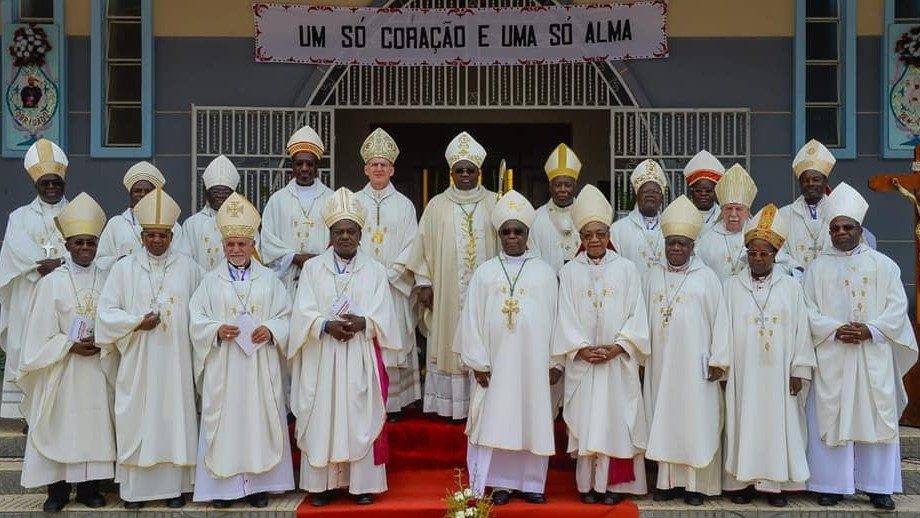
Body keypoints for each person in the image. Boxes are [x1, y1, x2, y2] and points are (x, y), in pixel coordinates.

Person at [803, 182, 918, 510]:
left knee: (876, 416)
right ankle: (831, 484)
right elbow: (807, 311)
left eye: (847, 227)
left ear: (860, 229)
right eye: (835, 227)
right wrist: (835, 330)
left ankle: (879, 486)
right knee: (831, 417)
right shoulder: (816, 268)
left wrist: (870, 330)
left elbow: (897, 309)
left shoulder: (884, 266)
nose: (841, 232)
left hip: (872, 354)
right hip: (834, 355)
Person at [288, 187, 400, 507]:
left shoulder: (375, 270)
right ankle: (321, 486)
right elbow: (302, 313)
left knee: (358, 416)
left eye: (351, 231)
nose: (346, 237)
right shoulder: (312, 269)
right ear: (331, 234)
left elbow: (385, 315)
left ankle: (361, 484)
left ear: (361, 234)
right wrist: (325, 325)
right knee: (323, 415)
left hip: (359, 356)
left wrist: (365, 323)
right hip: (323, 355)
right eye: (339, 231)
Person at [95, 188, 202, 509]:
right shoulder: (124, 269)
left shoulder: (189, 268)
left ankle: (174, 489)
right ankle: (135, 492)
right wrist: (134, 323)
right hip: (138, 362)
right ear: (141, 236)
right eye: (151, 235)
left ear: (172, 235)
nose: (157, 240)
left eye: (163, 235)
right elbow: (105, 312)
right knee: (136, 420)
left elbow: (200, 313)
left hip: (176, 362)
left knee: (173, 419)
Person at [189, 192, 294, 508]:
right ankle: (224, 488)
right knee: (224, 423)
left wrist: (272, 329)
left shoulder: (270, 281)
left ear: (253, 246)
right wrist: (216, 330)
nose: (236, 250)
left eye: (242, 244)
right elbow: (197, 319)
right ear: (223, 246)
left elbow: (286, 315)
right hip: (225, 365)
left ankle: (259, 485)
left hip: (259, 365)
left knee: (258, 422)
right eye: (230, 244)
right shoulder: (210, 281)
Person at [455, 190, 558, 505]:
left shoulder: (544, 273)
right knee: (499, 421)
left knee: (532, 419)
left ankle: (532, 483)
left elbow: (558, 320)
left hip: (534, 365)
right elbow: (470, 318)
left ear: (528, 234)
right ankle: (500, 483)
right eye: (506, 231)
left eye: (518, 231)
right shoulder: (485, 273)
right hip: (495, 366)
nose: (512, 237)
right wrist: (477, 361)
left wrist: (557, 362)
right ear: (498, 234)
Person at [553, 185, 650, 505]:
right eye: (588, 234)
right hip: (584, 365)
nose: (594, 240)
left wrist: (618, 347)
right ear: (580, 237)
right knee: (588, 423)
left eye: (600, 233)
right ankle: (588, 486)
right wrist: (580, 348)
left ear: (609, 234)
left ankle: (613, 486)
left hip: (616, 362)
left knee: (615, 423)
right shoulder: (569, 272)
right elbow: (563, 315)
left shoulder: (626, 269)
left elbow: (638, 314)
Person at [18, 193, 113, 512]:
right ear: (67, 244)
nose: (85, 248)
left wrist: (103, 339)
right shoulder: (51, 284)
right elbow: (38, 335)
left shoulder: (109, 279)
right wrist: (68, 345)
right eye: (79, 242)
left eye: (91, 242)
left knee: (93, 426)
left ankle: (88, 489)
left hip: (97, 367)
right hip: (61, 368)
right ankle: (56, 491)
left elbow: (115, 318)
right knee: (60, 425)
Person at [717, 204, 815, 507]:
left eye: (765, 253)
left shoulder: (791, 288)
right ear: (746, 254)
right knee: (744, 424)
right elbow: (722, 329)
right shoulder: (732, 286)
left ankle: (775, 486)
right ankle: (744, 483)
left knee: (777, 425)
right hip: (744, 373)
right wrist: (722, 368)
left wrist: (799, 369)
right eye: (753, 253)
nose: (758, 259)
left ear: (775, 255)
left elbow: (802, 331)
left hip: (779, 373)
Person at [396, 131, 498, 420]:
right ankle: (450, 406)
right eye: (459, 170)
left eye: (470, 170)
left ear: (479, 172)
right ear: (451, 172)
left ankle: (484, 405)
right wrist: (424, 283)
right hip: (447, 293)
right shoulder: (437, 205)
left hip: (487, 293)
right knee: (449, 339)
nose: (465, 174)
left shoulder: (494, 203)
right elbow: (421, 246)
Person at [643, 195, 726, 505]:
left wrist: (720, 359)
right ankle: (666, 482)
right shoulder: (652, 276)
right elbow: (640, 320)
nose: (676, 248)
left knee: (694, 422)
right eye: (671, 242)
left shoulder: (707, 279)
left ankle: (695, 486)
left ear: (693, 246)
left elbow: (722, 323)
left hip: (697, 366)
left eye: (682, 243)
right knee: (665, 419)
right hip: (661, 364)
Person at [355, 128, 421, 420]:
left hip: (393, 289)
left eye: (384, 164)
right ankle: (365, 401)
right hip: (361, 287)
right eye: (374, 164)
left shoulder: (405, 205)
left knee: (392, 343)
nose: (379, 168)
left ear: (392, 169)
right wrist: (365, 276)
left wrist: (389, 275)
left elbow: (412, 246)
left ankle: (393, 404)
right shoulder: (354, 202)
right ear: (365, 168)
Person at [0, 138, 68, 420]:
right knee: (29, 350)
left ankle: (57, 411)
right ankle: (27, 414)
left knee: (58, 350)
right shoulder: (19, 217)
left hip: (63, 296)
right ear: (36, 184)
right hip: (29, 296)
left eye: (56, 183)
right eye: (46, 183)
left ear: (63, 183)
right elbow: (14, 252)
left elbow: (86, 246)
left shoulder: (77, 211)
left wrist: (60, 262)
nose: (51, 188)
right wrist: (40, 264)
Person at [261, 125, 334, 293]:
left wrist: (314, 264)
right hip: (286, 280)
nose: (304, 168)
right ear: (292, 166)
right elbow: (267, 240)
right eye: (299, 163)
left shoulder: (331, 199)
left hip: (322, 278)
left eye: (309, 163)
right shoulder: (277, 200)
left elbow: (338, 239)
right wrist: (295, 258)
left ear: (317, 166)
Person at [96, 161, 185, 270]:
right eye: (138, 191)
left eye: (148, 191)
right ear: (130, 194)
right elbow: (100, 261)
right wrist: (119, 260)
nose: (142, 194)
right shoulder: (116, 224)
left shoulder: (171, 224)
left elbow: (183, 258)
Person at [182, 154, 258, 271]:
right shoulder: (192, 224)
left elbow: (254, 257)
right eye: (216, 191)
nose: (221, 196)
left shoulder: (247, 221)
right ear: (206, 193)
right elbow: (186, 262)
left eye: (226, 192)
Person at [779, 139, 835, 270]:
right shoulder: (784, 215)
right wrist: (796, 269)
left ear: (825, 181)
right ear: (800, 183)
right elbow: (778, 251)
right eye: (805, 180)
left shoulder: (838, 211)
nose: (810, 184)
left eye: (816, 179)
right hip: (796, 280)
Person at [695, 164, 758, 281]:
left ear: (747, 211)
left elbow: (783, 263)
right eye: (729, 208)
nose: (733, 214)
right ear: (722, 210)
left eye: (738, 209)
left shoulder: (759, 235)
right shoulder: (707, 239)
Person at [529, 143, 582, 273]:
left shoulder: (586, 214)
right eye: (558, 185)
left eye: (567, 185)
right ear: (550, 187)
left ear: (575, 186)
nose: (563, 190)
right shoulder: (536, 218)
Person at [610, 159, 667, 279]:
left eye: (655, 191)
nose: (650, 194)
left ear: (662, 197)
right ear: (637, 195)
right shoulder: (618, 229)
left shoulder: (671, 227)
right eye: (645, 191)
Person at [682, 150, 725, 234]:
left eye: (708, 191)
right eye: (698, 191)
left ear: (715, 192)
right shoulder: (682, 214)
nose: (703, 194)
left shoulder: (724, 216)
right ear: (691, 192)